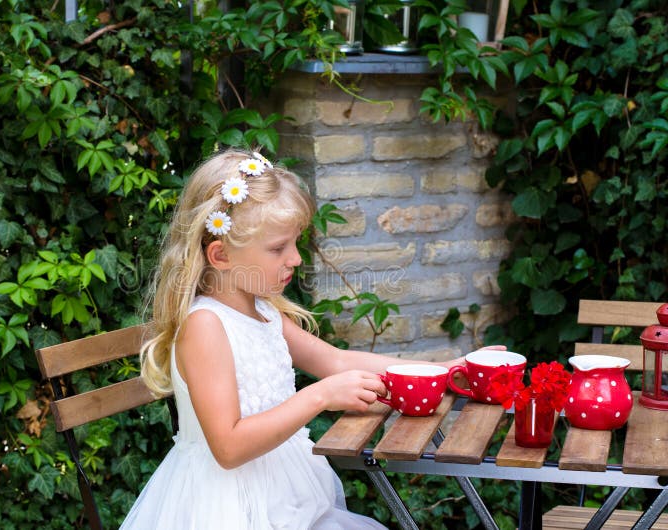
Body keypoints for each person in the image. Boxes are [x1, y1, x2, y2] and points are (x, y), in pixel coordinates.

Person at [119, 149, 496, 529]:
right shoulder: (206, 326)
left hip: (285, 498)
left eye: (295, 242)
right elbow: (229, 447)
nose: (296, 258)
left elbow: (335, 362)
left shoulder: (264, 312)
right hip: (232, 507)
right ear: (220, 255)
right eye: (278, 248)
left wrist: (440, 371)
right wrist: (320, 396)